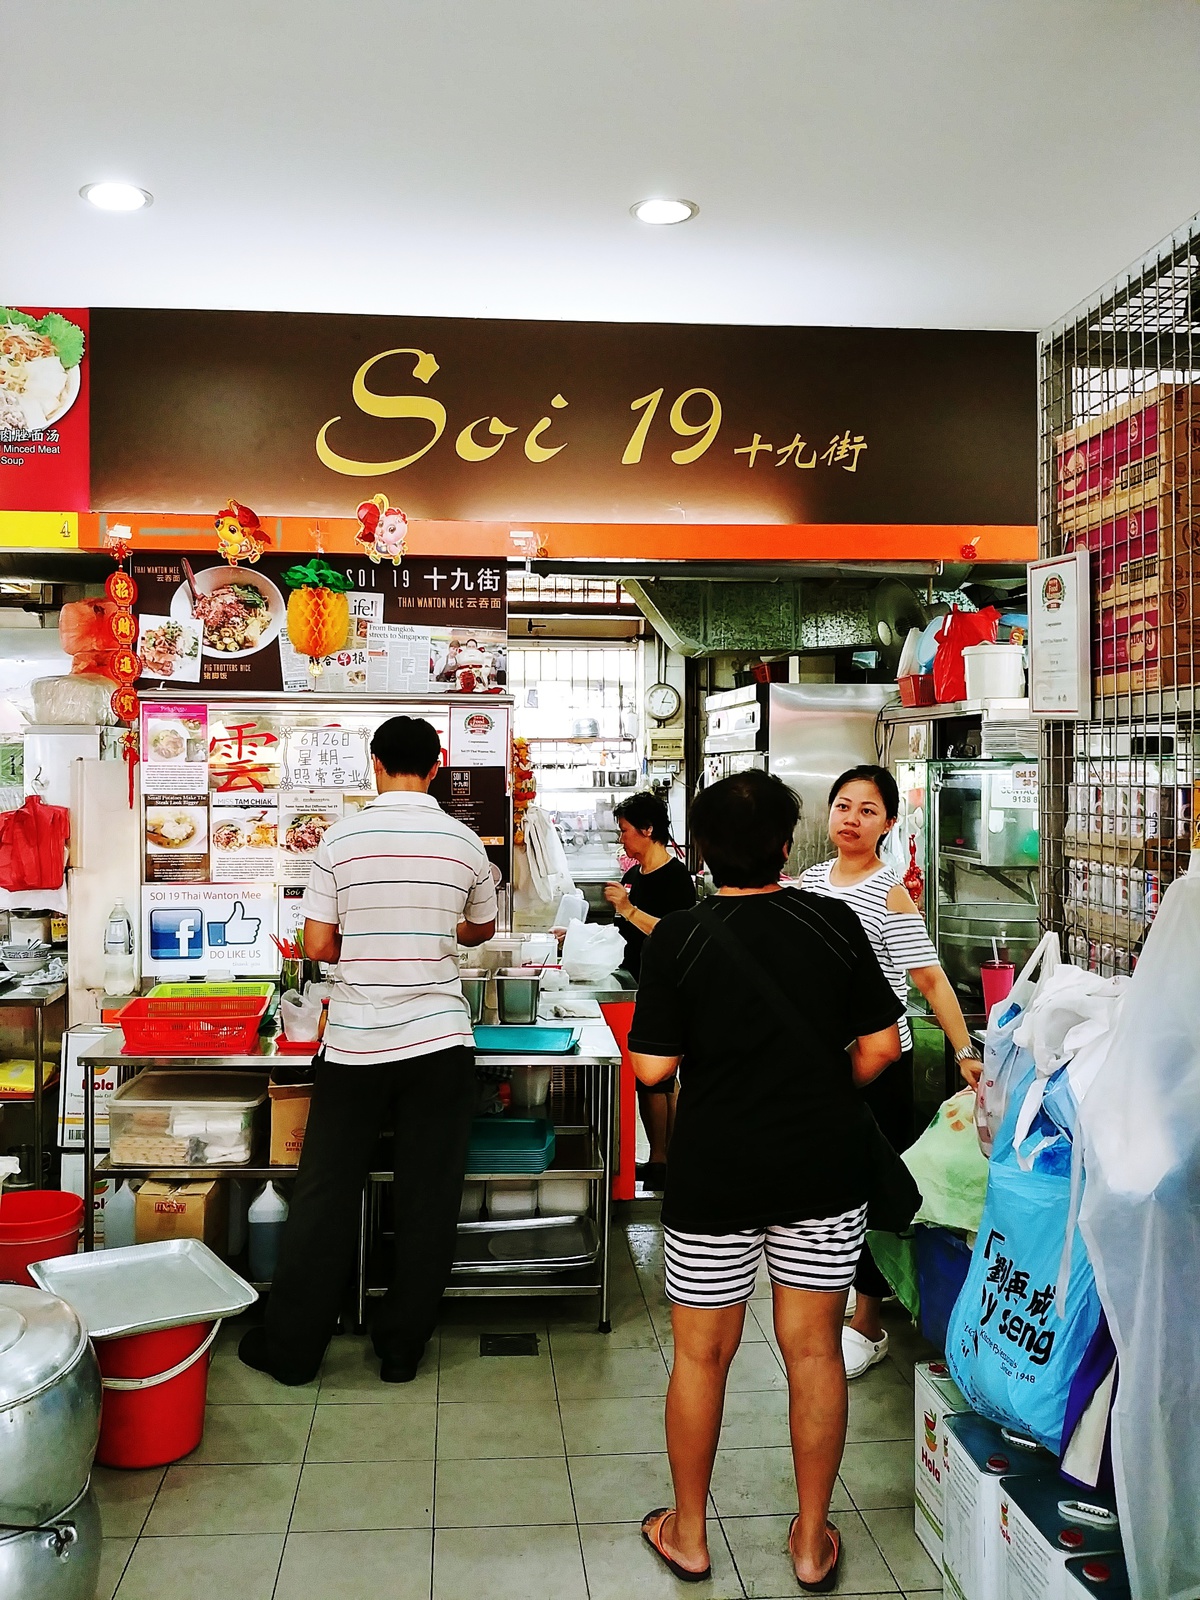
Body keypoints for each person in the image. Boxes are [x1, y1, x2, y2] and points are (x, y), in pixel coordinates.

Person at [629, 770, 903, 1591]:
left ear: (702, 852)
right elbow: (882, 1048)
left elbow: (652, 1066)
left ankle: (688, 1533)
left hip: (716, 1171)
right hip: (821, 1167)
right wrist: (818, 1090)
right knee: (813, 1350)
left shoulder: (679, 934)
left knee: (701, 1356)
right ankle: (812, 1541)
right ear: (790, 844)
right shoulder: (832, 922)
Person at [239, 715, 496, 1386]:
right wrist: (433, 933)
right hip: (440, 1043)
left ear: (374, 764)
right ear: (436, 768)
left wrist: (374, 941)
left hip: (355, 1045)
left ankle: (293, 1350)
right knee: (427, 1198)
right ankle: (401, 1348)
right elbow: (480, 929)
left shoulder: (339, 840)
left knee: (324, 1194)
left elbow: (319, 946)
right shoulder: (465, 842)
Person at [801, 764, 982, 1380]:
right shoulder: (808, 883)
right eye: (843, 805)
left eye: (867, 810)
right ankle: (832, 1302)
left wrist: (964, 1053)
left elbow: (929, 979)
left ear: (887, 823)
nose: (851, 819)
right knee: (826, 1186)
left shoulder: (889, 892)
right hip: (823, 1062)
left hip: (880, 1061)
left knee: (872, 1185)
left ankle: (869, 1321)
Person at [603, 791, 696, 1190]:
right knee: (655, 1080)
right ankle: (664, 1158)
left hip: (666, 987)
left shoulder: (675, 879)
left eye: (625, 831)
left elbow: (674, 935)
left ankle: (662, 1160)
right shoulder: (635, 876)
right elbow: (626, 933)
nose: (622, 839)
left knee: (655, 1077)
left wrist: (626, 909)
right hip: (635, 981)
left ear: (648, 830)